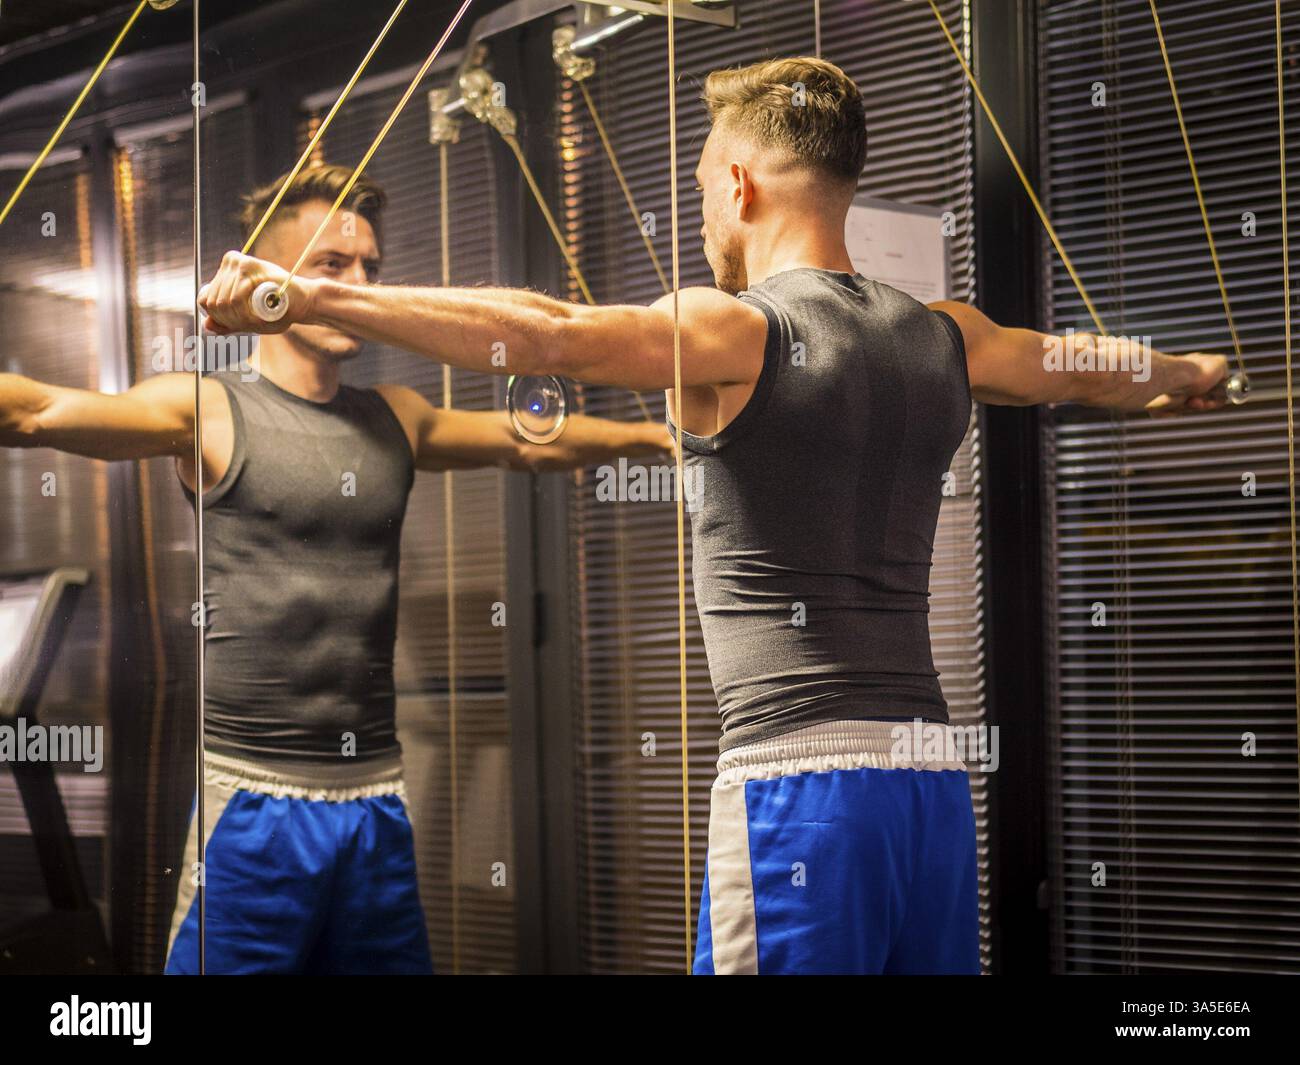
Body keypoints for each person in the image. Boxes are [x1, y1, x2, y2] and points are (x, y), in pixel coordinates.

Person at [200, 58, 1230, 975]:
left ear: (738, 184)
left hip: (799, 788)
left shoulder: (737, 330)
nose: (699, 213)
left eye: (698, 188)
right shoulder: (950, 336)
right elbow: (1082, 368)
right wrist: (1185, 372)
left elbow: (547, 334)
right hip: (926, 781)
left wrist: (309, 300)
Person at [0, 164, 671, 974]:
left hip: (376, 800)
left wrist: (657, 442)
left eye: (369, 269)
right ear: (270, 281)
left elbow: (525, 440)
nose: (357, 283)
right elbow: (35, 411)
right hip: (250, 805)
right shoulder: (207, 407)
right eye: (330, 266)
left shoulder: (395, 415)